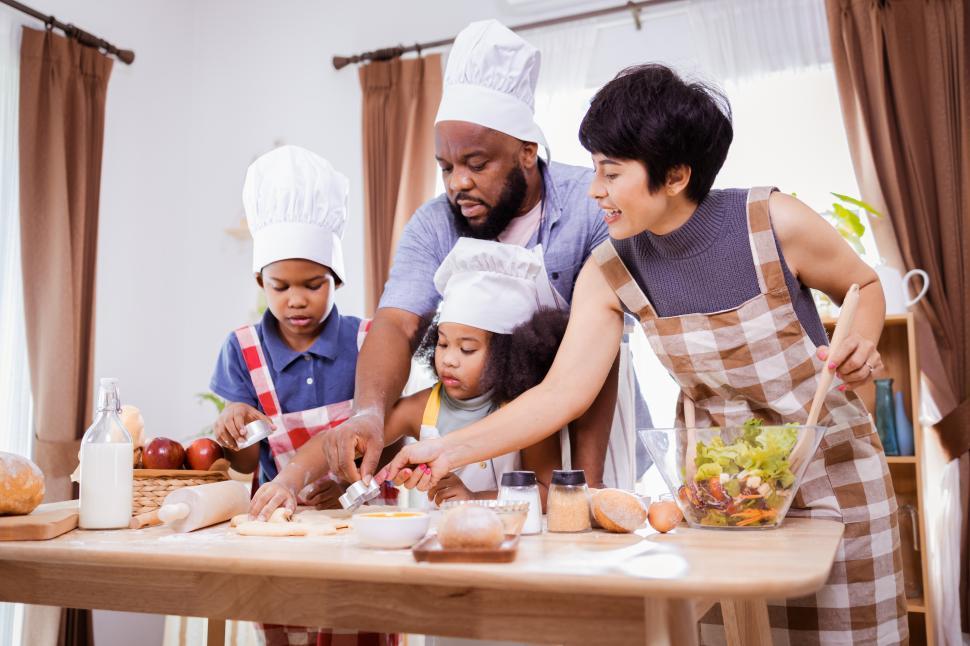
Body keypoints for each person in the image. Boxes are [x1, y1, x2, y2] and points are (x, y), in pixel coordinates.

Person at [381, 64, 907, 644]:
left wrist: (861, 337)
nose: (593, 189)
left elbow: (865, 287)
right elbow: (560, 393)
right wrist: (444, 450)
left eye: (611, 172)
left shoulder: (771, 223)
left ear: (676, 174)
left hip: (834, 481)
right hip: (720, 498)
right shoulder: (612, 269)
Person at [252, 19, 645, 521]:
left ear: (527, 151)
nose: (457, 183)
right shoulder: (435, 225)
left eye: (476, 164)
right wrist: (369, 415)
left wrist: (585, 487)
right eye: (445, 166)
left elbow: (599, 355)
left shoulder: (593, 205)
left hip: (593, 419)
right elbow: (396, 323)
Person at [209, 145, 397, 646]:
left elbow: (393, 436)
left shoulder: (367, 342)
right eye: (280, 285)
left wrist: (354, 482)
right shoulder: (243, 349)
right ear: (260, 281)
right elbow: (248, 460)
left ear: (335, 277)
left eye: (313, 284)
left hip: (361, 526)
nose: (296, 299)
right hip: (280, 535)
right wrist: (235, 426)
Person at [383, 238, 566, 508]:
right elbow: (364, 441)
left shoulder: (527, 415)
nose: (448, 359)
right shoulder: (422, 407)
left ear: (507, 356)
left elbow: (550, 493)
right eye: (442, 343)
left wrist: (475, 499)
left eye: (467, 349)